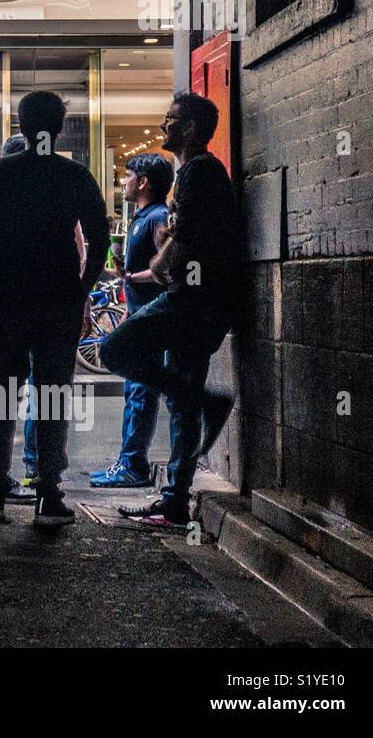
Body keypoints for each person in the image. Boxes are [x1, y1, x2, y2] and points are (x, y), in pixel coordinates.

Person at [0, 91, 110, 527]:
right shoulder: (74, 176)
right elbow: (100, 239)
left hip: (7, 296)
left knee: (2, 388)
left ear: (21, 126)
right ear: (60, 127)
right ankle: (49, 493)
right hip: (58, 299)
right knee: (53, 392)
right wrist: (82, 290)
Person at [102, 94, 237, 528]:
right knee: (182, 405)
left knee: (114, 350)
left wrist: (158, 266)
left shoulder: (200, 172)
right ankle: (175, 499)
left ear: (193, 128)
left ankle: (203, 401)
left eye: (173, 120)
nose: (164, 125)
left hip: (192, 300)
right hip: (201, 300)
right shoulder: (192, 174)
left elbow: (189, 241)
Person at [89, 152, 174, 488]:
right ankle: (128, 461)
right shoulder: (140, 218)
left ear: (143, 181)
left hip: (151, 323)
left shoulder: (158, 218)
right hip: (137, 317)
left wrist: (132, 278)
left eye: (127, 176)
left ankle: (133, 466)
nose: (122, 181)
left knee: (140, 393)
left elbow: (167, 272)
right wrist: (127, 305)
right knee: (134, 392)